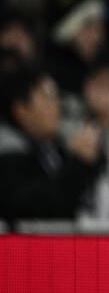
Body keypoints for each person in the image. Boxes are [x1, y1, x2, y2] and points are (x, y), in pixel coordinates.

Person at [0, 64, 102, 225]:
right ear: (20, 109)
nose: (57, 105)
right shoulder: (7, 153)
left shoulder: (53, 148)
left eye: (56, 96)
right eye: (47, 97)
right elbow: (39, 209)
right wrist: (78, 162)